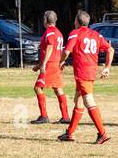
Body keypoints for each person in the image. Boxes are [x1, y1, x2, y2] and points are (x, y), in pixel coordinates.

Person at [59, 10, 112, 144]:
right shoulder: (96, 35)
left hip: (83, 72)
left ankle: (102, 133)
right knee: (79, 100)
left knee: (89, 101)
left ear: (77, 21)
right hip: (91, 71)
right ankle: (70, 133)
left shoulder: (75, 33)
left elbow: (66, 51)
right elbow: (110, 49)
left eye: (75, 20)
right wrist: (107, 67)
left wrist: (61, 61)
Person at [32, 10, 70, 125]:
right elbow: (57, 50)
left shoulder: (49, 32)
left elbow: (50, 47)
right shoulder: (58, 33)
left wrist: (43, 64)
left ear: (45, 20)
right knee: (58, 88)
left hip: (50, 64)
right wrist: (39, 65)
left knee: (38, 88)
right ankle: (65, 116)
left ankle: (44, 116)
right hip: (56, 63)